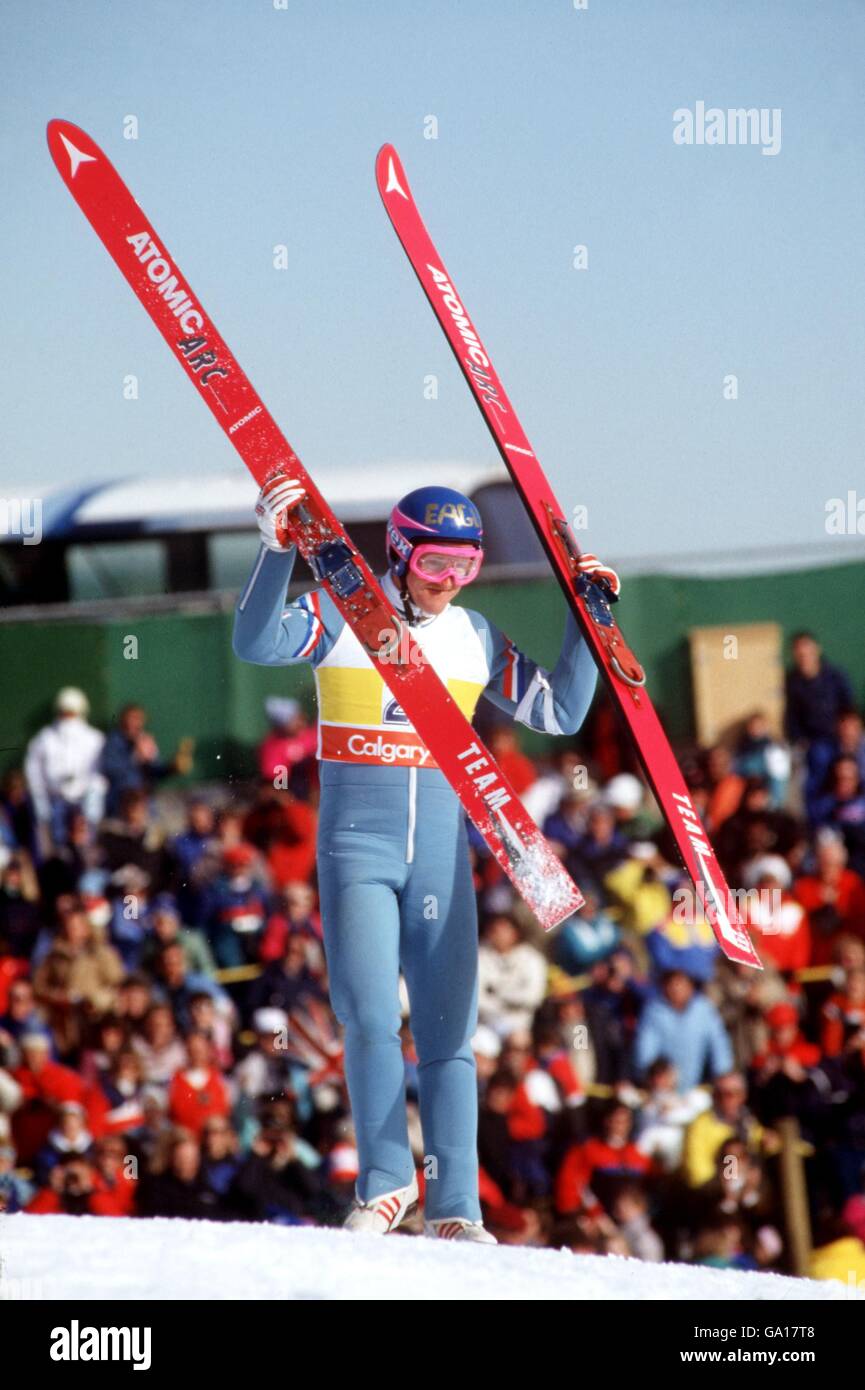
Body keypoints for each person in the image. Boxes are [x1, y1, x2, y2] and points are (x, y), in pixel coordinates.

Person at [233, 479, 607, 1242]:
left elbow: (559, 711)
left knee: (446, 1036)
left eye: (465, 568)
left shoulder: (471, 635)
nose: (447, 584)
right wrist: (274, 552)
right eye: (435, 565)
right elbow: (255, 642)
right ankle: (383, 1186)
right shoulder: (346, 614)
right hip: (356, 852)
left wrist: (587, 617)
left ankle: (456, 1208)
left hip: (440, 859)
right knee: (369, 1016)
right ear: (400, 553)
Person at [24, 687, 106, 855]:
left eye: (72, 713)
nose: (68, 719)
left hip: (85, 800)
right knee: (59, 845)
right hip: (56, 799)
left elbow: (100, 773)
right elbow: (33, 771)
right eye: (65, 713)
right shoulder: (45, 738)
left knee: (88, 844)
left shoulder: (94, 738)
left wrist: (94, 797)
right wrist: (41, 800)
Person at [785, 632, 855, 748]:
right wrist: (800, 740)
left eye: (808, 652)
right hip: (815, 742)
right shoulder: (792, 682)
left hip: (842, 735)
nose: (805, 657)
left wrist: (849, 732)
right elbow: (792, 717)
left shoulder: (836, 676)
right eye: (800, 654)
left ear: (817, 650)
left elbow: (849, 708)